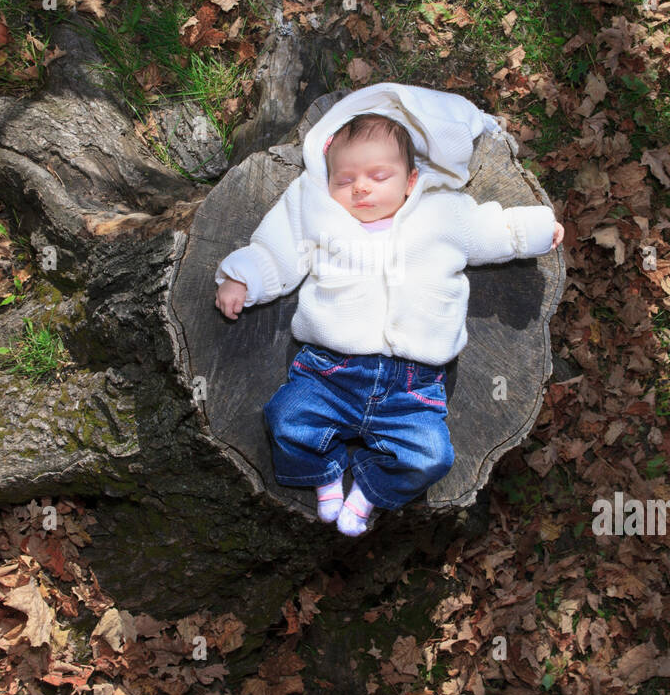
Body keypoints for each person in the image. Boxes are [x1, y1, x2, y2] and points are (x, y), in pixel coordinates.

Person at [215, 83, 564, 537]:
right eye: (345, 179)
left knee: (430, 455)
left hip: (413, 385)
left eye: (379, 176)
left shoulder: (442, 214)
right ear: (328, 179)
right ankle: (323, 475)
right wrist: (244, 277)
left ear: (411, 180)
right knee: (286, 417)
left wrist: (535, 228)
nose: (361, 187)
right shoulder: (317, 210)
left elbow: (492, 229)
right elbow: (277, 247)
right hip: (328, 370)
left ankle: (368, 490)